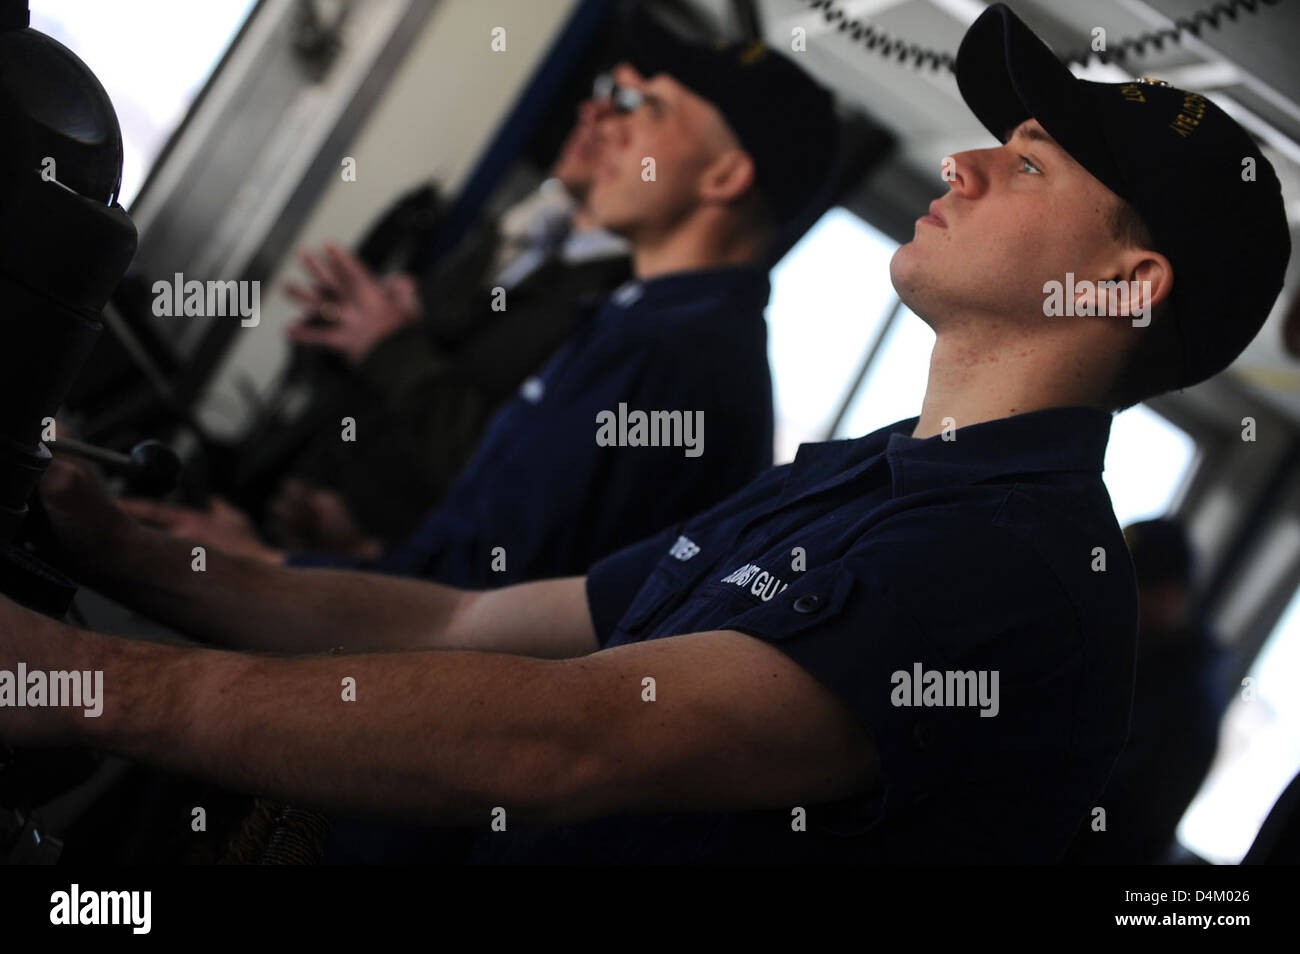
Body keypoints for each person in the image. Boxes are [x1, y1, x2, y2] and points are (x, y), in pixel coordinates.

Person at [6, 3, 1291, 864]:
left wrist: (86, 682)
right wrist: (118, 550)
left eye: (1027, 164)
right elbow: (459, 622)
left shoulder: (1009, 568)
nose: (961, 164)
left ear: (1124, 286)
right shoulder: (863, 482)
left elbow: (567, 741)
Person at [126, 28, 842, 589]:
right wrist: (365, 556)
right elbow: (506, 563)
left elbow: (496, 613)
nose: (606, 125)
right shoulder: (645, 322)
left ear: (725, 174)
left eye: (648, 109)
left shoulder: (675, 355)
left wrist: (265, 567)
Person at [1065, 519, 1227, 864]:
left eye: (1128, 586)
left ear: (1168, 596)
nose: (1109, 599)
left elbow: (1115, 828)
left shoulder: (1188, 708)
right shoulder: (1128, 654)